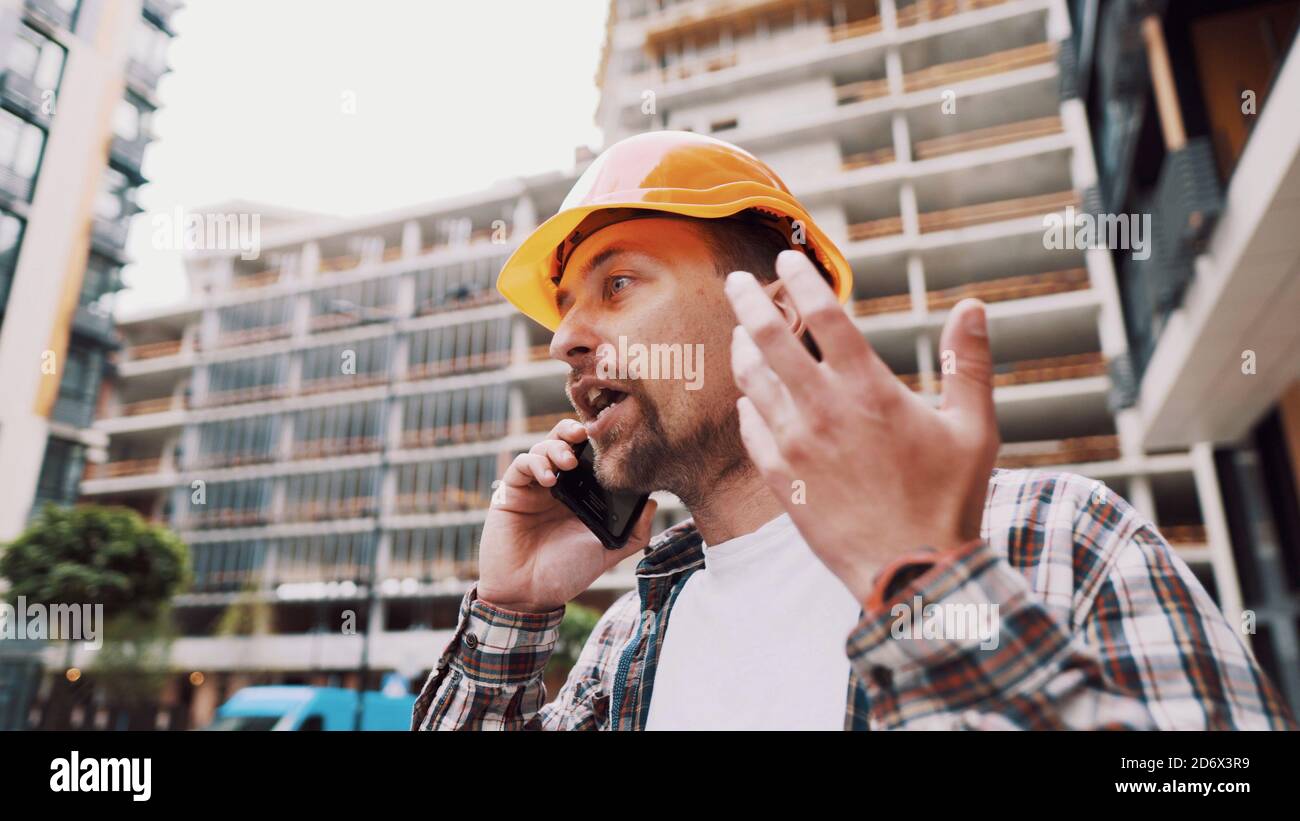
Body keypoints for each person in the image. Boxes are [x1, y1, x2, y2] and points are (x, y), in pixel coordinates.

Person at [412, 131, 1293, 730]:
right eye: (564, 312)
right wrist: (513, 607)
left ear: (781, 310)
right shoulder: (621, 643)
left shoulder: (1057, 540)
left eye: (617, 285)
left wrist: (932, 590)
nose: (563, 339)